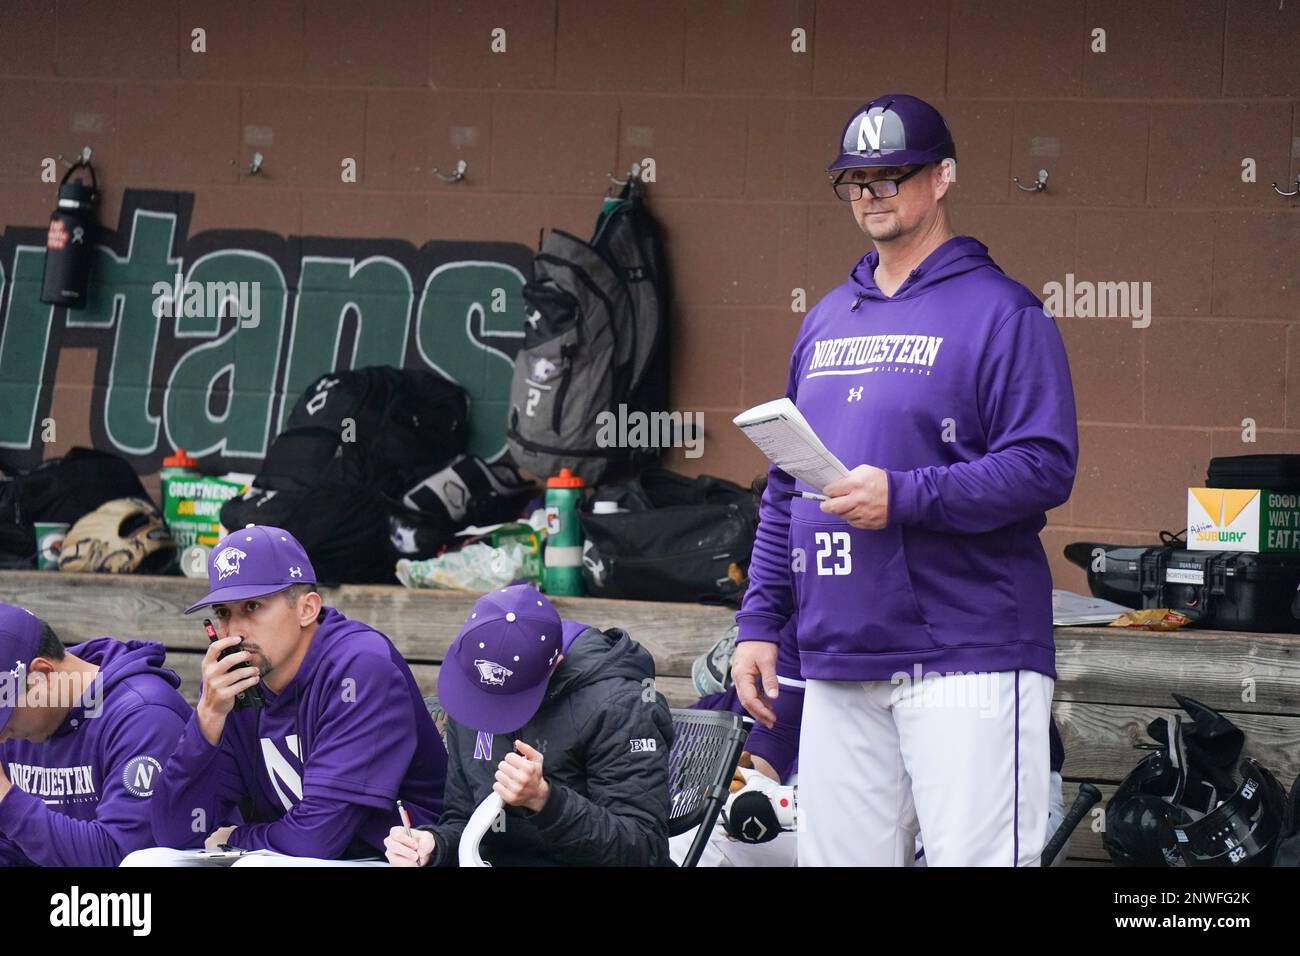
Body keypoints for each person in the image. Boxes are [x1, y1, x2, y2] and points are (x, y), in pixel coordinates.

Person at [731, 93, 1078, 866]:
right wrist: (759, 623)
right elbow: (787, 490)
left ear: (943, 177)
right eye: (856, 180)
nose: (871, 194)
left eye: (892, 176)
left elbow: (1045, 466)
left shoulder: (1003, 312)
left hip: (969, 649)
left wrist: (906, 495)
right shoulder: (825, 320)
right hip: (839, 653)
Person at [121, 524, 446, 866]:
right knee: (148, 862)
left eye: (252, 606)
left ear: (307, 608)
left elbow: (317, 838)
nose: (234, 631)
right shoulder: (232, 684)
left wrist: (233, 839)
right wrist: (207, 720)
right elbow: (176, 832)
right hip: (288, 852)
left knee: (256, 865)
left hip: (390, 856)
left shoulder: (359, 667)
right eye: (223, 613)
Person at [384, 583, 672, 867]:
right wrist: (434, 845)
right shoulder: (472, 689)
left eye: (509, 699)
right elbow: (463, 818)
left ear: (555, 665)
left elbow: (645, 849)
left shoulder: (619, 706)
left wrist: (546, 801)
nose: (489, 710)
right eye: (484, 695)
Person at [0, 604, 190, 866]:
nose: (1, 737)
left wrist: (6, 799)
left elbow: (121, 857)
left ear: (43, 676)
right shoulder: (25, 720)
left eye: (3, 718)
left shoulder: (146, 716)